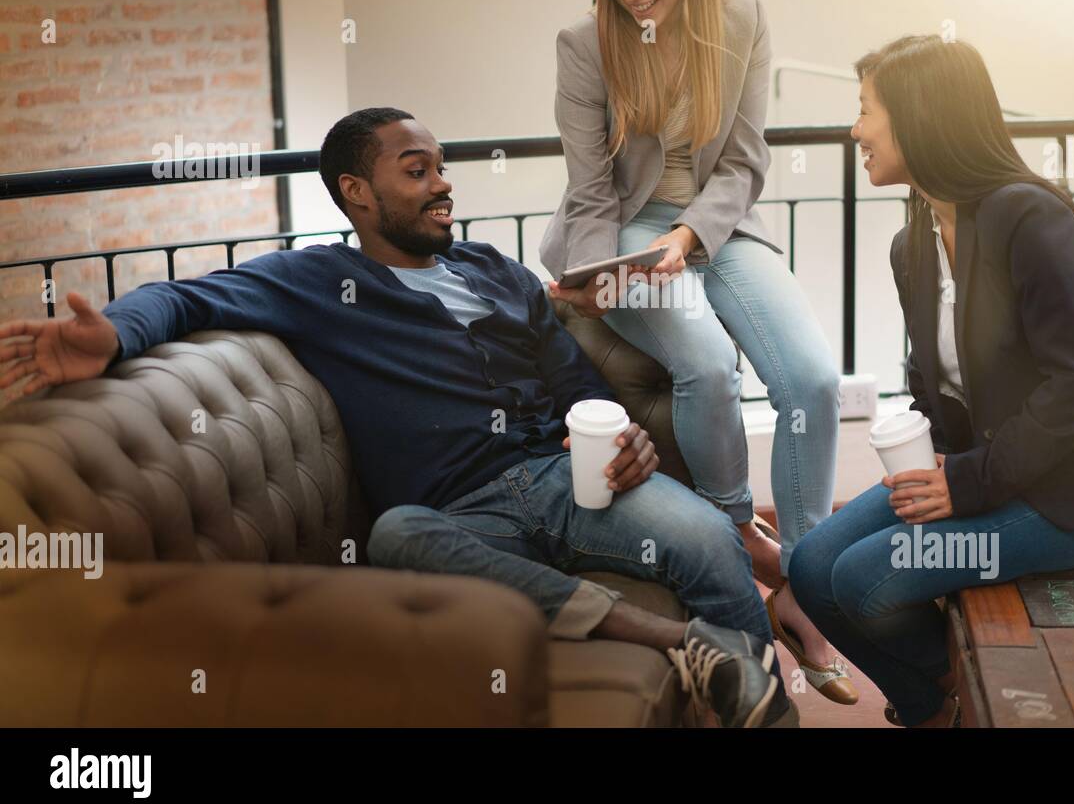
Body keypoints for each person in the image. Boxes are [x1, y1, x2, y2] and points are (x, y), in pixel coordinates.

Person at [0, 107, 798, 728]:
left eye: (441, 167)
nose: (442, 183)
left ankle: (761, 706)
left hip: (565, 478)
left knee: (704, 536)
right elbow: (184, 295)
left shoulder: (491, 269)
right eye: (416, 171)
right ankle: (681, 647)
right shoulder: (315, 280)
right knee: (396, 536)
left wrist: (623, 436)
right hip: (457, 509)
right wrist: (111, 334)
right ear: (357, 191)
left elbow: (573, 380)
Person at [788, 35, 1074, 727]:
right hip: (980, 473)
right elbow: (929, 380)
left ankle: (945, 700)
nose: (856, 131)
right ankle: (936, 703)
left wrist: (964, 483)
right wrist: (926, 457)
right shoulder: (912, 244)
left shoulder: (1033, 221)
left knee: (861, 580)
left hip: (1068, 498)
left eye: (865, 110)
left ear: (919, 116)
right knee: (814, 567)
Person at [542, 0, 855, 704]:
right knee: (709, 364)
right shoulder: (585, 43)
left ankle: (804, 583)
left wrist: (692, 239)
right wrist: (601, 270)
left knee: (813, 380)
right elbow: (589, 189)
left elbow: (747, 160)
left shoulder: (740, 16)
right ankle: (731, 534)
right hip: (628, 226)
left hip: (718, 226)